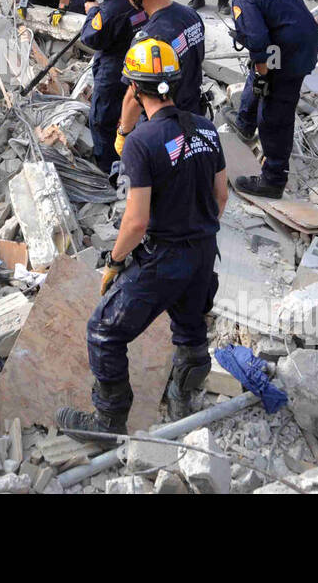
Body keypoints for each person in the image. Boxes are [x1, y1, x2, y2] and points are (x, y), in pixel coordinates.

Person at [54, 36, 227, 438]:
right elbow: (222, 196)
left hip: (163, 259)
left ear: (133, 87)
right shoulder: (206, 129)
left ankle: (108, 422)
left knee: (104, 332)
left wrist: (114, 262)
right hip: (203, 252)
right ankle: (183, 402)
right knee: (190, 329)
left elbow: (135, 221)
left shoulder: (141, 143)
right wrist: (198, 228)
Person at [209, 0, 318, 199]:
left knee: (274, 116)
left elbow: (259, 44)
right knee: (256, 78)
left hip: (288, 56)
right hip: (299, 42)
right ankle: (245, 122)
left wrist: (264, 75)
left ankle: (273, 179)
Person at [110, 0, 206, 133]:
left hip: (165, 125)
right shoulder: (191, 15)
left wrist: (124, 131)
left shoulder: (149, 40)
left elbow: (135, 95)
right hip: (194, 113)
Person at [77, 0, 137, 171]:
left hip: (115, 67)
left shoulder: (111, 10)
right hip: (140, 60)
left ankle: (107, 168)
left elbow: (90, 38)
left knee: (102, 120)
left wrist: (93, 11)